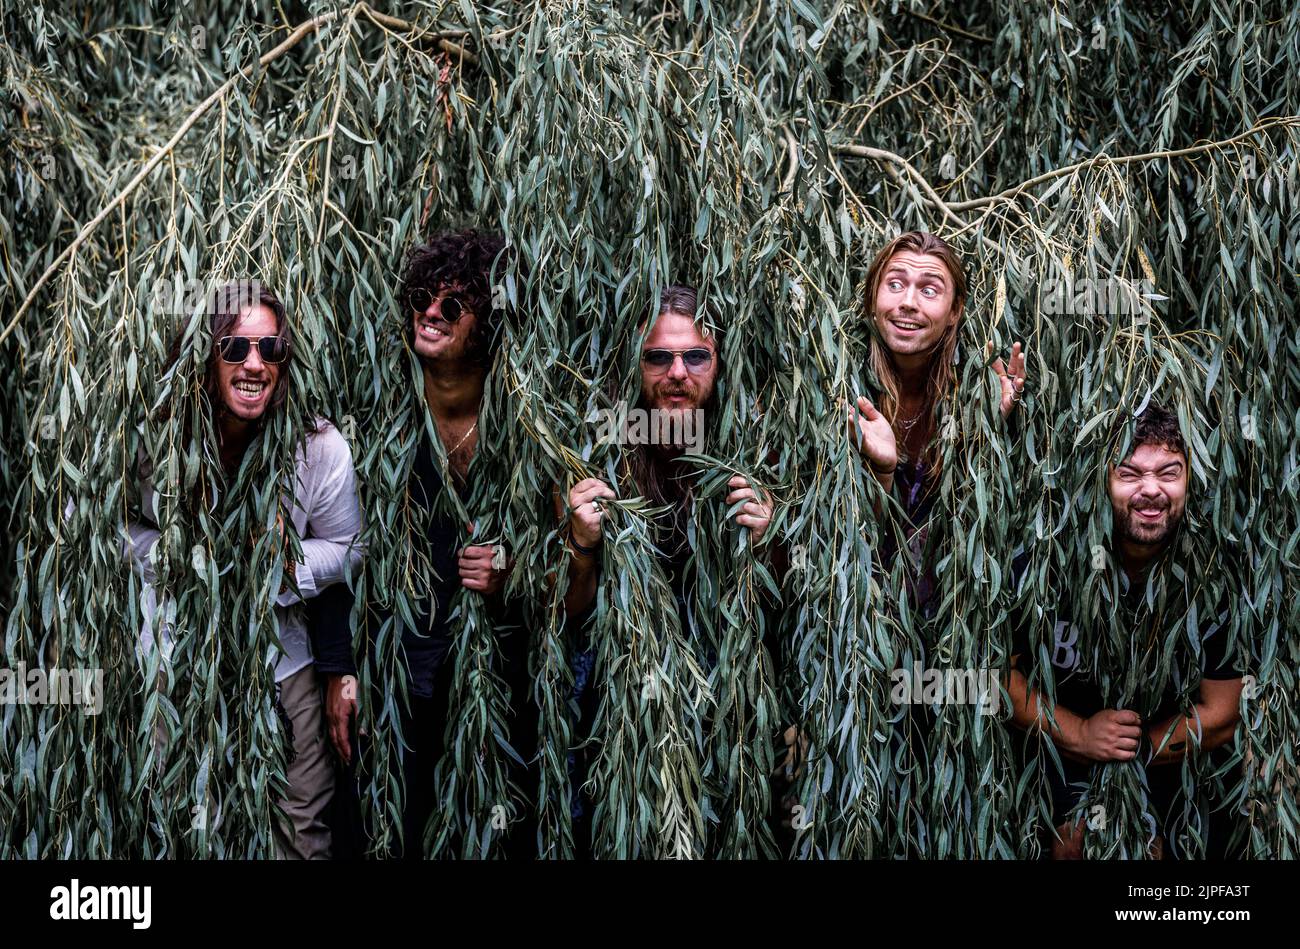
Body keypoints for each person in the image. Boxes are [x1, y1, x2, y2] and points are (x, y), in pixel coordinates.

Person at [125, 280, 363, 859]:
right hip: (174, 662)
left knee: (300, 827)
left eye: (270, 350)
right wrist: (184, 560)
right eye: (235, 348)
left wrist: (278, 567)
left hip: (284, 665)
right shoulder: (156, 438)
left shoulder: (318, 446)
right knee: (182, 822)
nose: (254, 363)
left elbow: (350, 546)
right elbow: (109, 526)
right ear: (205, 357)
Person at [1007, 403, 1244, 858]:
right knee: (1072, 844)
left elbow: (1223, 711)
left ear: (1191, 479)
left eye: (1169, 473)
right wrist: (1080, 735)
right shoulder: (1048, 561)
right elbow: (1000, 680)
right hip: (1059, 753)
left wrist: (1135, 749)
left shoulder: (1214, 574)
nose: (1150, 490)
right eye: (1130, 474)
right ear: (1103, 479)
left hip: (1169, 761)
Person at [847, 230, 1027, 616]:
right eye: (894, 284)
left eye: (929, 290)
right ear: (871, 299)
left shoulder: (973, 391)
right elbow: (843, 551)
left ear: (955, 311)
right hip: (863, 626)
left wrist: (983, 433)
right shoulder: (839, 385)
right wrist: (881, 473)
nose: (908, 303)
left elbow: (973, 551)